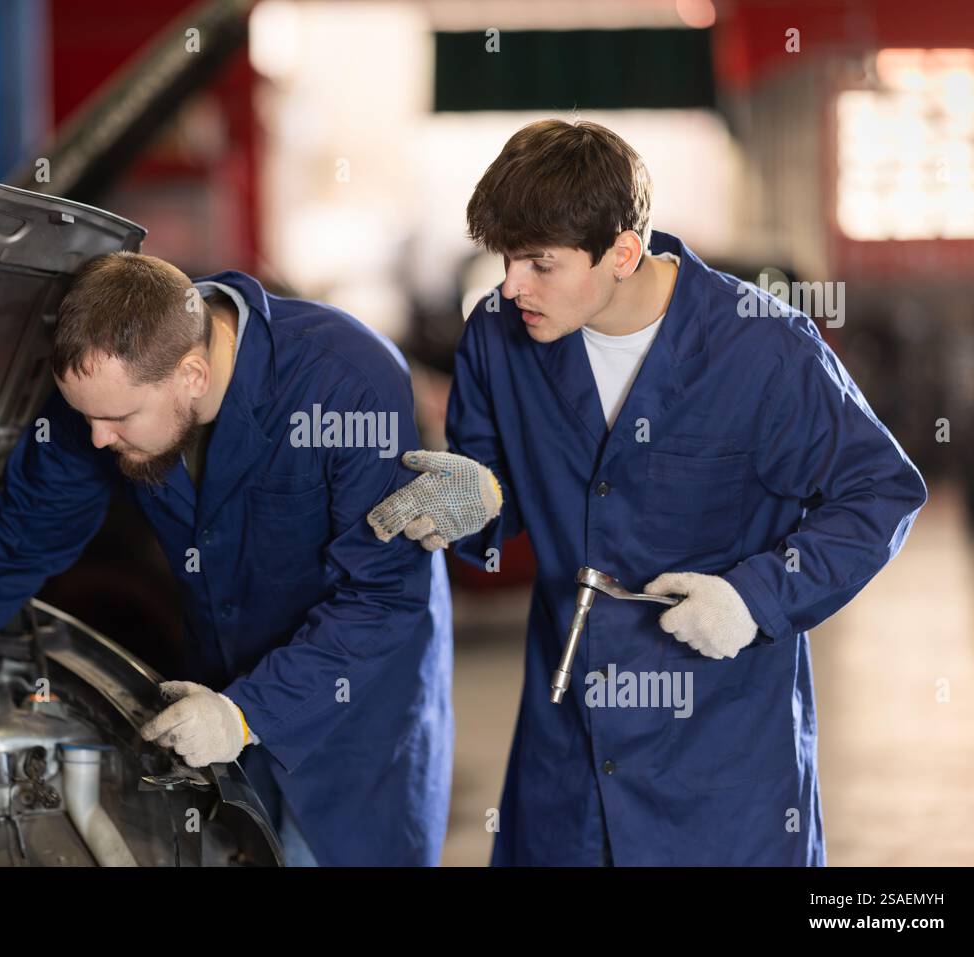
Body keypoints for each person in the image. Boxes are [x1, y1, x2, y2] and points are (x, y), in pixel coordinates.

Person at [368, 119, 927, 866]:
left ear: (623, 251)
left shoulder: (763, 348)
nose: (511, 285)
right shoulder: (498, 339)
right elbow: (490, 506)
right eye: (506, 258)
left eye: (541, 263)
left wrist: (754, 598)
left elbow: (880, 492)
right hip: (565, 759)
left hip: (723, 767)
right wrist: (477, 504)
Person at [0, 253, 453, 867]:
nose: (97, 439)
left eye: (119, 420)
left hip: (352, 718)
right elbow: (18, 540)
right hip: (218, 686)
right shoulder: (104, 390)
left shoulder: (348, 381)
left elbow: (383, 600)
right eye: (86, 416)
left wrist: (245, 715)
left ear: (192, 374)